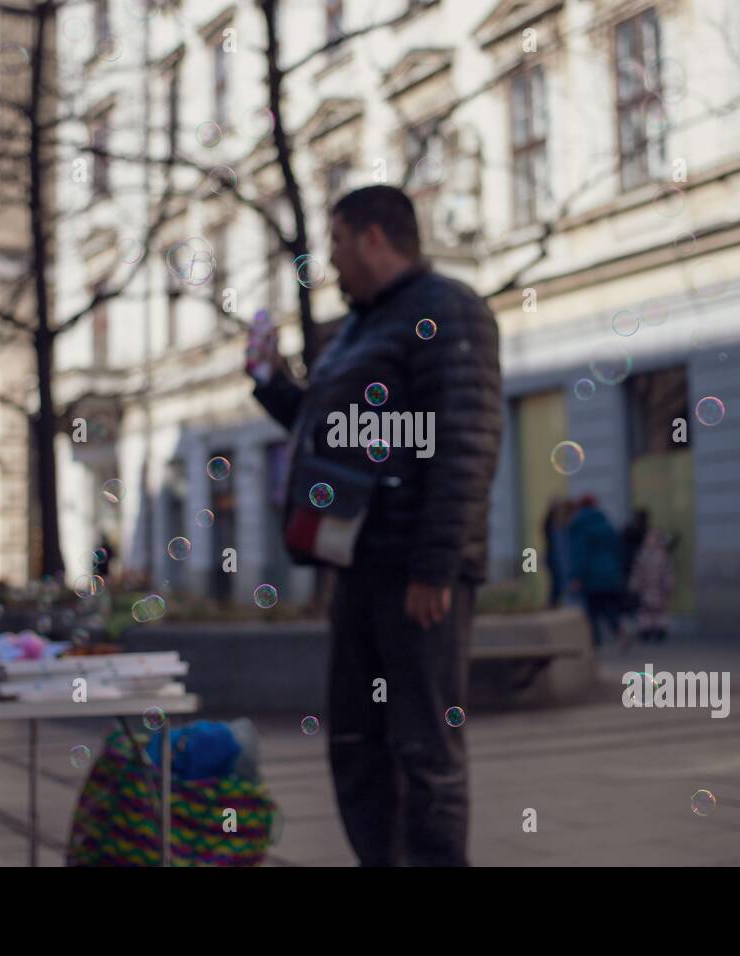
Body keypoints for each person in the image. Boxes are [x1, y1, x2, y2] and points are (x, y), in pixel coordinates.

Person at [247, 185, 503, 867]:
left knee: (424, 747)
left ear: (371, 238)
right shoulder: (357, 328)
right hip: (358, 564)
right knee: (358, 741)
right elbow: (333, 431)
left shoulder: (448, 309)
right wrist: (272, 380)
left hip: (414, 573)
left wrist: (435, 566)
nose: (327, 260)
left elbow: (465, 445)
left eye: (333, 242)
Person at [567, 496, 628, 651]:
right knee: (609, 608)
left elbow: (580, 553)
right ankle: (620, 633)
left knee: (591, 611)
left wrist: (576, 575)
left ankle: (594, 642)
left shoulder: (580, 526)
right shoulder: (606, 524)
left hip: (591, 575)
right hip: (610, 573)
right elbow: (618, 550)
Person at [628, 526, 675, 643]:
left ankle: (659, 630)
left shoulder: (662, 556)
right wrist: (635, 585)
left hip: (658, 588)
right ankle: (646, 631)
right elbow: (637, 572)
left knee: (658, 611)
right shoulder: (642, 555)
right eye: (649, 538)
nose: (651, 541)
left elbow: (667, 572)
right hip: (646, 588)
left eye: (653, 538)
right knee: (646, 610)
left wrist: (668, 585)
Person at [542, 498, 574, 607]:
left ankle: (554, 602)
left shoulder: (558, 524)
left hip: (554, 557)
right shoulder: (555, 524)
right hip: (554, 557)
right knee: (557, 581)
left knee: (557, 582)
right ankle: (554, 602)